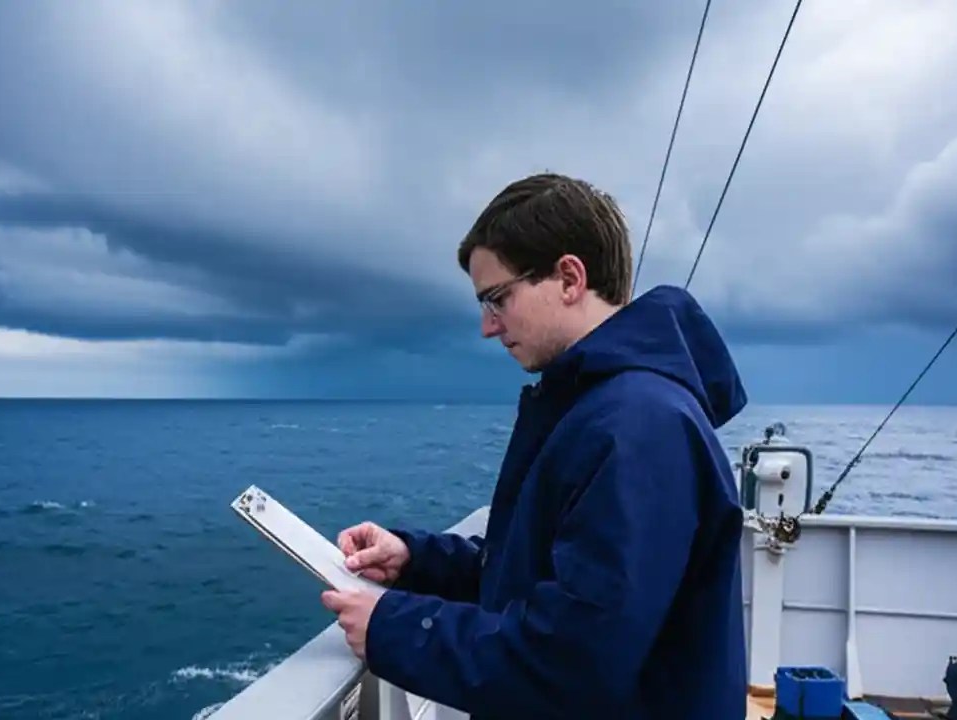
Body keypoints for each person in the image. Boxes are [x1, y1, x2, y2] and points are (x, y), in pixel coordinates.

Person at [320, 172, 749, 719]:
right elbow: (535, 578)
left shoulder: (640, 426)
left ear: (569, 278)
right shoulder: (600, 410)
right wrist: (414, 561)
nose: (486, 327)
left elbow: (574, 659)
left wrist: (393, 629)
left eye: (497, 299)